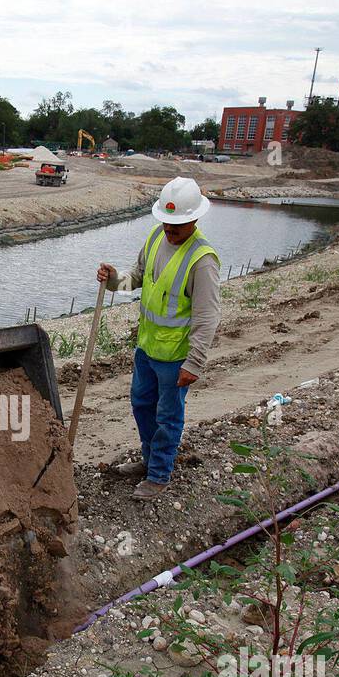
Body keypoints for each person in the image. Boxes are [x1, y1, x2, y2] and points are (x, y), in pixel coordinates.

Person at [96, 176, 221, 500]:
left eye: (176, 224)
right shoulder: (155, 238)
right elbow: (135, 278)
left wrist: (194, 362)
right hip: (146, 349)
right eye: (166, 223)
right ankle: (150, 460)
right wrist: (113, 282)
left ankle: (159, 474)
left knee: (168, 417)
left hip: (175, 358)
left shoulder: (202, 261)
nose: (169, 229)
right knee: (141, 405)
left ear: (194, 218)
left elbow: (208, 316)